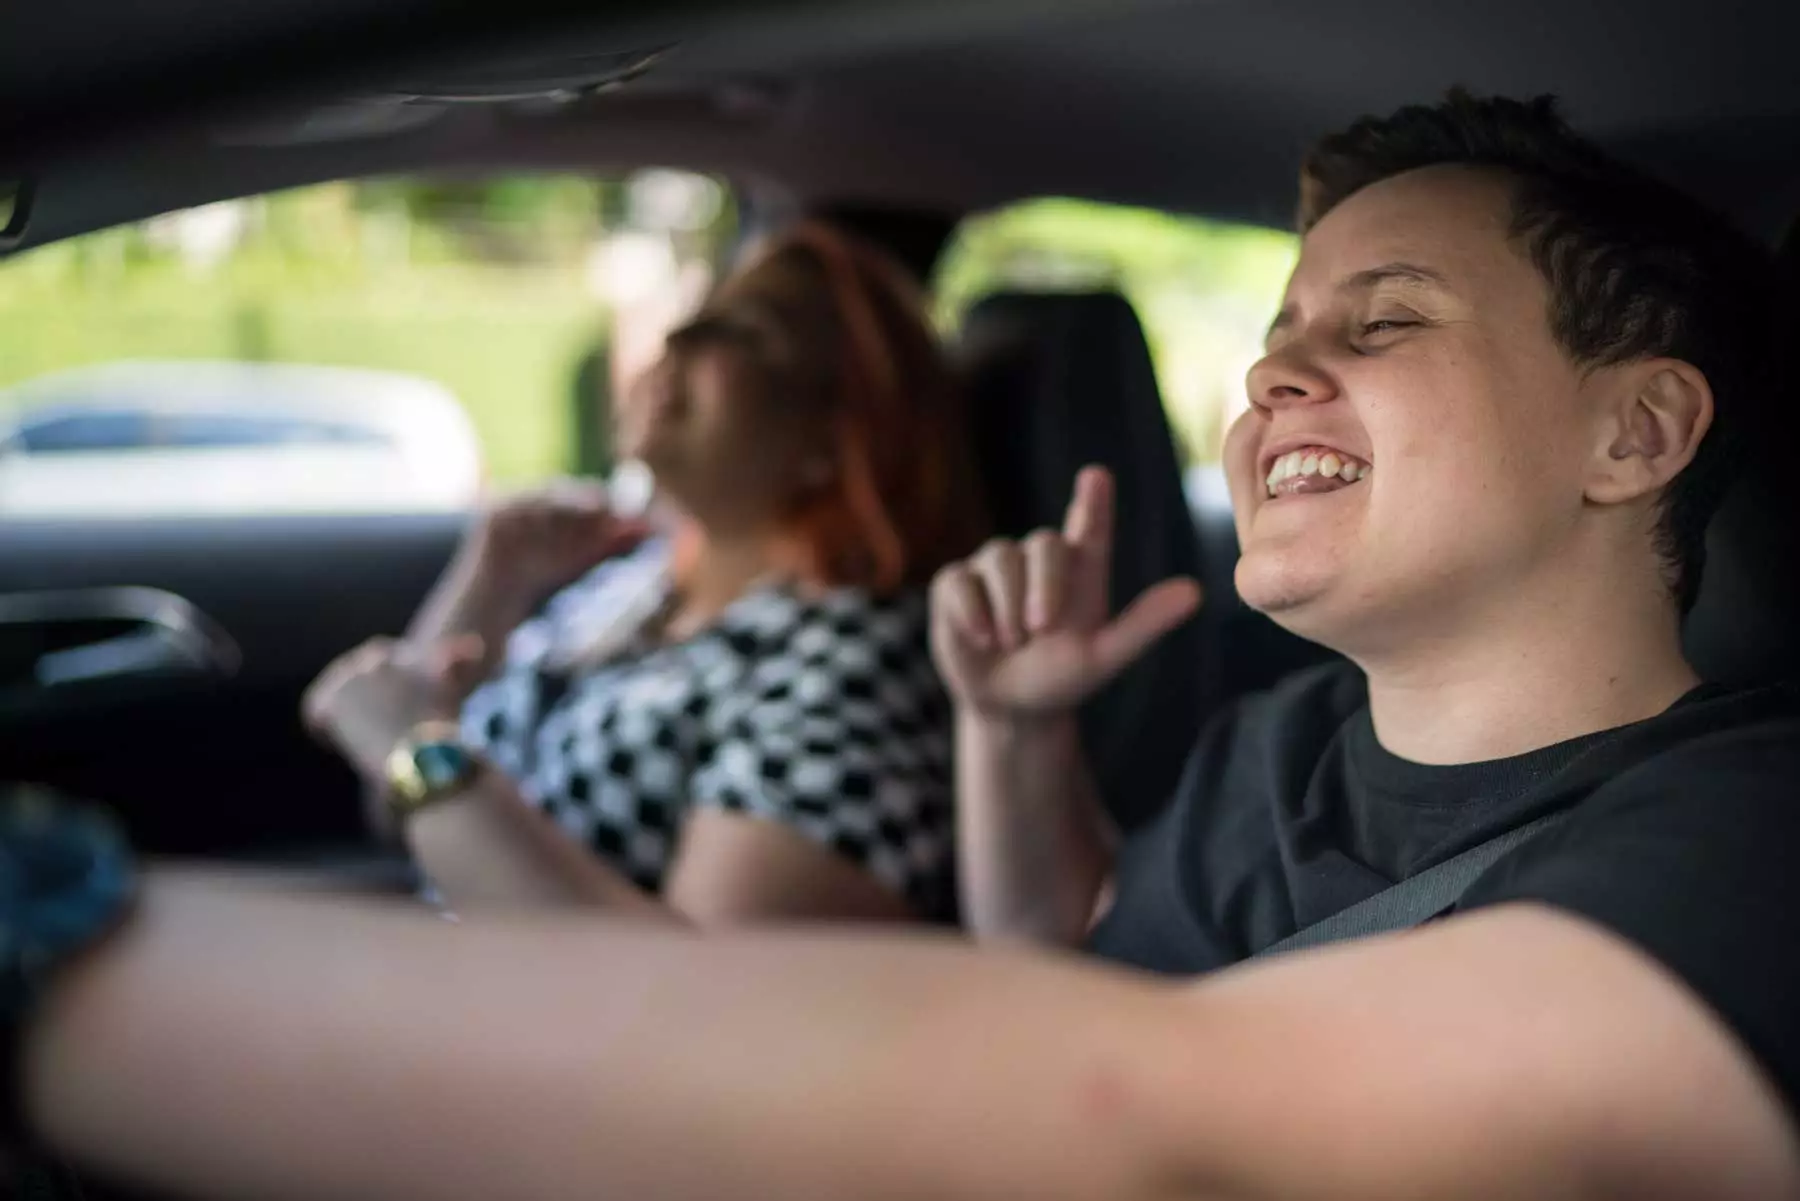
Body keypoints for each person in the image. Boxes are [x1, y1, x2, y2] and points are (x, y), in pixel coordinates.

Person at [9, 90, 1800, 1201]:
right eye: (1276, 331)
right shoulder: (1292, 747)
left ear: (1634, 436)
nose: (1271, 376)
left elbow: (1177, 1120)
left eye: (1384, 322)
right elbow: (1077, 971)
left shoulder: (1749, 839)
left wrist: (72, 958)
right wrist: (1009, 742)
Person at [302, 221, 984, 925]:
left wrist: (419, 753)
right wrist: (492, 584)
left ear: (834, 439)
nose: (678, 341)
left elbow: (704, 993)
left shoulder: (855, 660)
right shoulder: (634, 589)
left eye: (742, 333)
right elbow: (403, 817)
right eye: (690, 320)